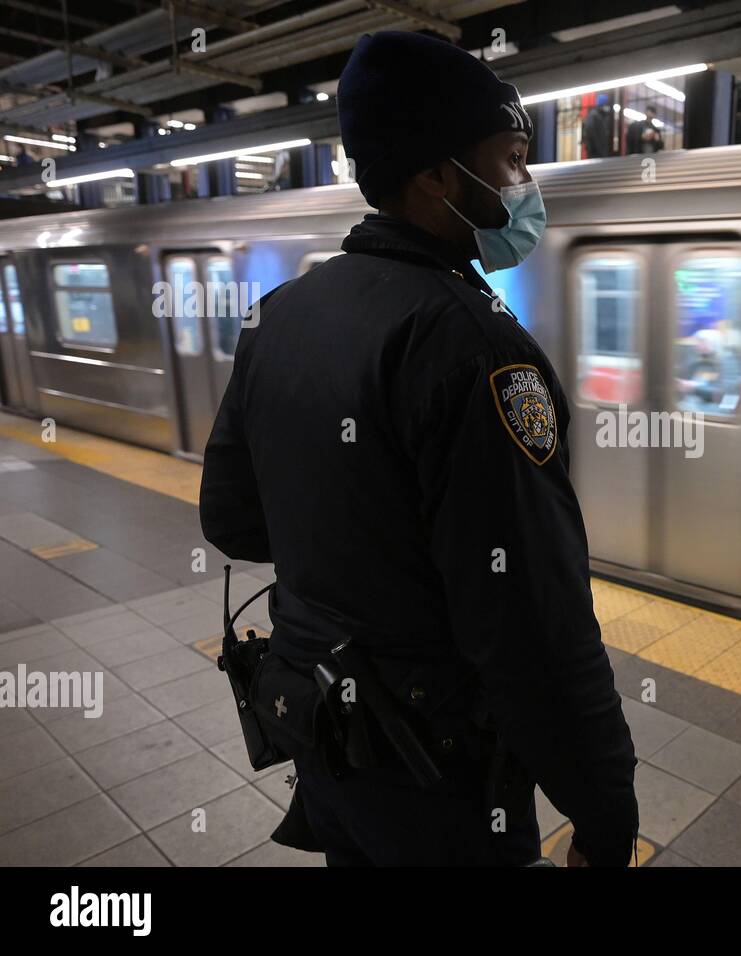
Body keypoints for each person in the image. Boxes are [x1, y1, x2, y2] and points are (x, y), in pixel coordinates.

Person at [199, 31, 638, 867]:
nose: (525, 184)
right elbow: (532, 624)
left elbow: (233, 520)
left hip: (327, 746)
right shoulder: (475, 347)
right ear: (437, 174)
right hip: (437, 779)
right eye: (511, 159)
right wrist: (605, 809)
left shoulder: (281, 314)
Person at [581, 92, 614, 158]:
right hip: (595, 153)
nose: (608, 106)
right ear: (602, 104)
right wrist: (595, 150)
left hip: (600, 153)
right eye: (606, 104)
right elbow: (590, 134)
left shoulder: (603, 116)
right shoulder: (594, 116)